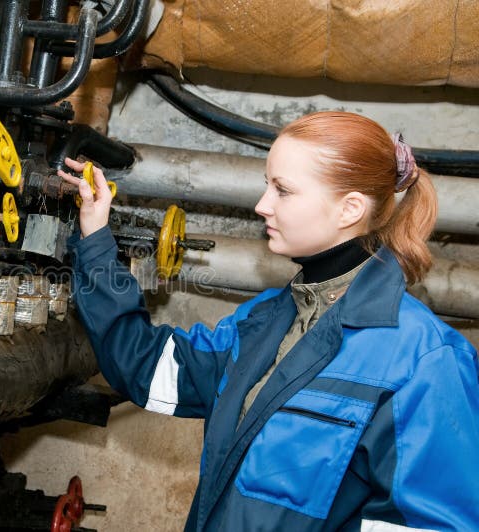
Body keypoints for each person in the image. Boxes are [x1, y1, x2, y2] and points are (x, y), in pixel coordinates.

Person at [58, 111, 479, 532]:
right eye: (266, 185)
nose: (262, 205)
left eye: (283, 190)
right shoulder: (266, 320)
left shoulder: (424, 360)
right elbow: (147, 367)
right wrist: (96, 238)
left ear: (349, 209)